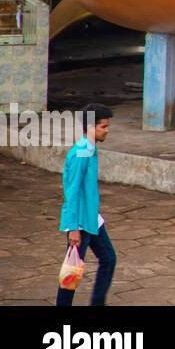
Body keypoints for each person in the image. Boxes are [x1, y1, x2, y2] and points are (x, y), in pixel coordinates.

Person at [57, 102, 116, 306]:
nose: (107, 131)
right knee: (73, 271)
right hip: (81, 222)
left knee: (109, 259)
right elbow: (71, 193)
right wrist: (73, 228)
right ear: (91, 127)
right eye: (103, 127)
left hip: (92, 219)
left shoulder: (90, 149)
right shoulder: (81, 153)